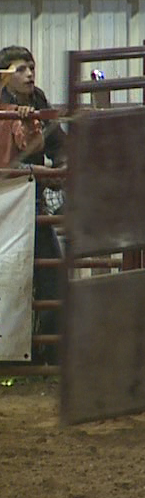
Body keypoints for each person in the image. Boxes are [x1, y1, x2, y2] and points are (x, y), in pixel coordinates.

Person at [0, 46, 66, 362]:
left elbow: (57, 141)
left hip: (28, 202)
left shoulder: (37, 101)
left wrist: (61, 168)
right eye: (20, 69)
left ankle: (47, 352)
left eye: (31, 68)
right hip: (14, 198)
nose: (29, 74)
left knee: (52, 277)